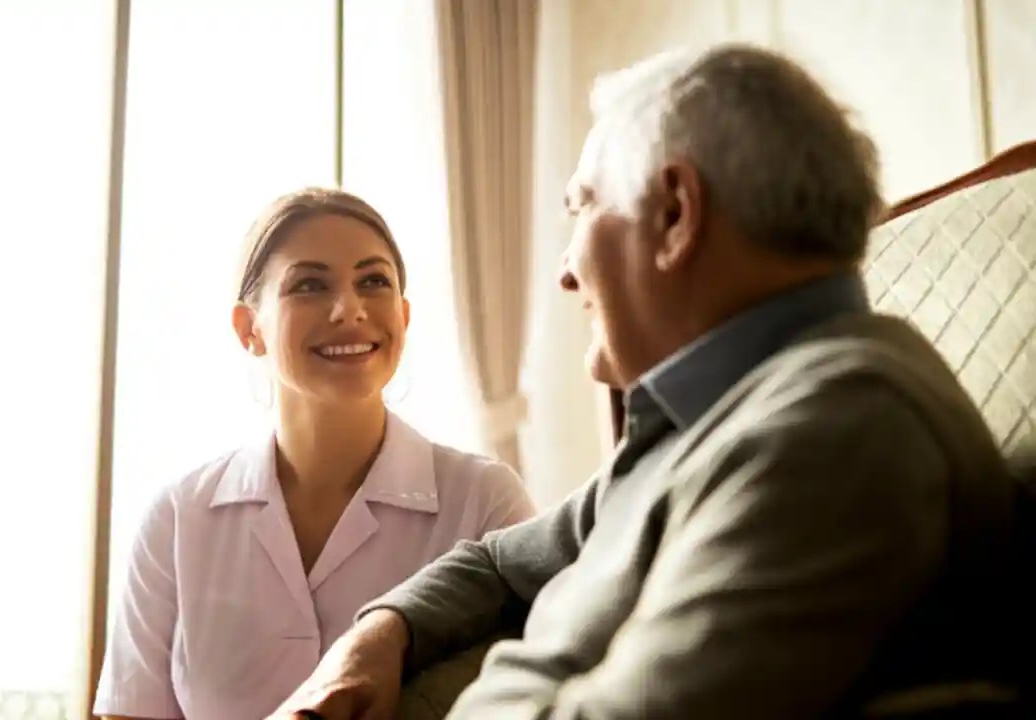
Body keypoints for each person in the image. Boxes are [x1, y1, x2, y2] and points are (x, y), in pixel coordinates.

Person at [272, 44, 1019, 719]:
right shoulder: (711, 415)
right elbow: (498, 561)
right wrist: (379, 632)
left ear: (674, 214)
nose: (567, 270)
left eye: (585, 208)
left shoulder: (836, 432)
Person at [93, 188, 536, 720]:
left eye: (374, 282)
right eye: (309, 285)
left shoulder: (485, 502)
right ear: (248, 329)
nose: (349, 309)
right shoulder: (177, 519)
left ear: (404, 314)